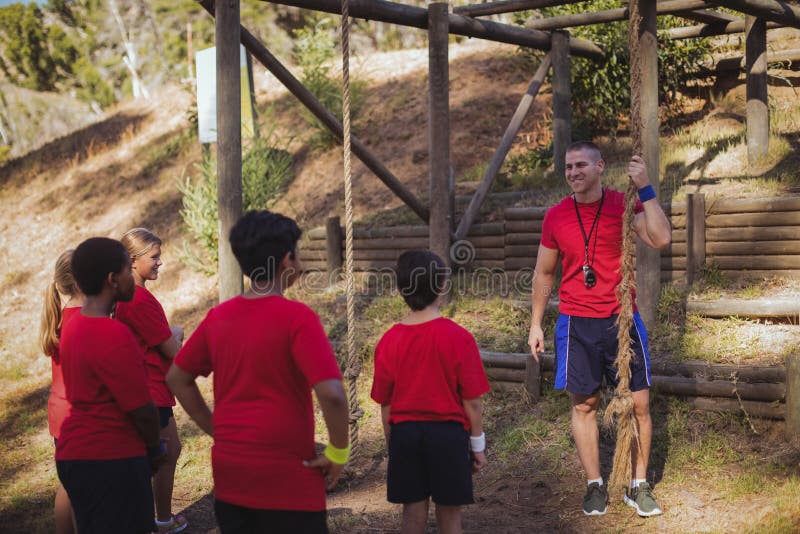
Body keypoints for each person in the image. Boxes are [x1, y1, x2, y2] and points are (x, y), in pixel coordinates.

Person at [166, 210, 349, 534]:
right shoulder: (298, 318)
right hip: (289, 481)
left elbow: (177, 378)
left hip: (231, 480)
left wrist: (216, 429)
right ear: (287, 260)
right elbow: (332, 394)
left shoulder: (218, 318)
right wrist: (337, 451)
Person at [528, 141, 672, 518]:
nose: (573, 172)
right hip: (576, 323)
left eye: (580, 165)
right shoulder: (556, 216)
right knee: (584, 405)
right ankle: (595, 484)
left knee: (639, 404)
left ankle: (638, 485)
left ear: (600, 167)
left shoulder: (622, 206)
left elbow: (661, 238)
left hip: (622, 319)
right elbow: (544, 273)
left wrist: (645, 187)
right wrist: (536, 324)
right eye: (568, 167)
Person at [371, 249, 491, 534]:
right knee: (450, 515)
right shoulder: (459, 338)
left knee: (412, 514)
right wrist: (477, 446)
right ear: (441, 286)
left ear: (401, 289)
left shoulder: (388, 341)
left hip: (405, 435)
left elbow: (385, 404)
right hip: (448, 436)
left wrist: (392, 444)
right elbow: (472, 402)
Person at [56, 237, 166, 534]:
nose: (132, 275)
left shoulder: (73, 326)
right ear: (112, 279)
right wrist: (155, 448)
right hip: (111, 458)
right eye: (128, 270)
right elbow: (142, 409)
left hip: (75, 453)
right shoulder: (113, 333)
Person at [115, 228, 187, 534]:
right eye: (154, 257)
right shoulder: (137, 298)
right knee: (162, 455)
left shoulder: (129, 295)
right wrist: (177, 334)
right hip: (150, 390)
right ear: (133, 260)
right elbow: (170, 349)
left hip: (148, 387)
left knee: (163, 453)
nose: (160, 262)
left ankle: (156, 518)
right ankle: (159, 521)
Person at [39, 250, 84, 534]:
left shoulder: (62, 317)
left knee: (69, 485)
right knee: (83, 491)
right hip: (76, 416)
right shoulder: (83, 321)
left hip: (60, 414)